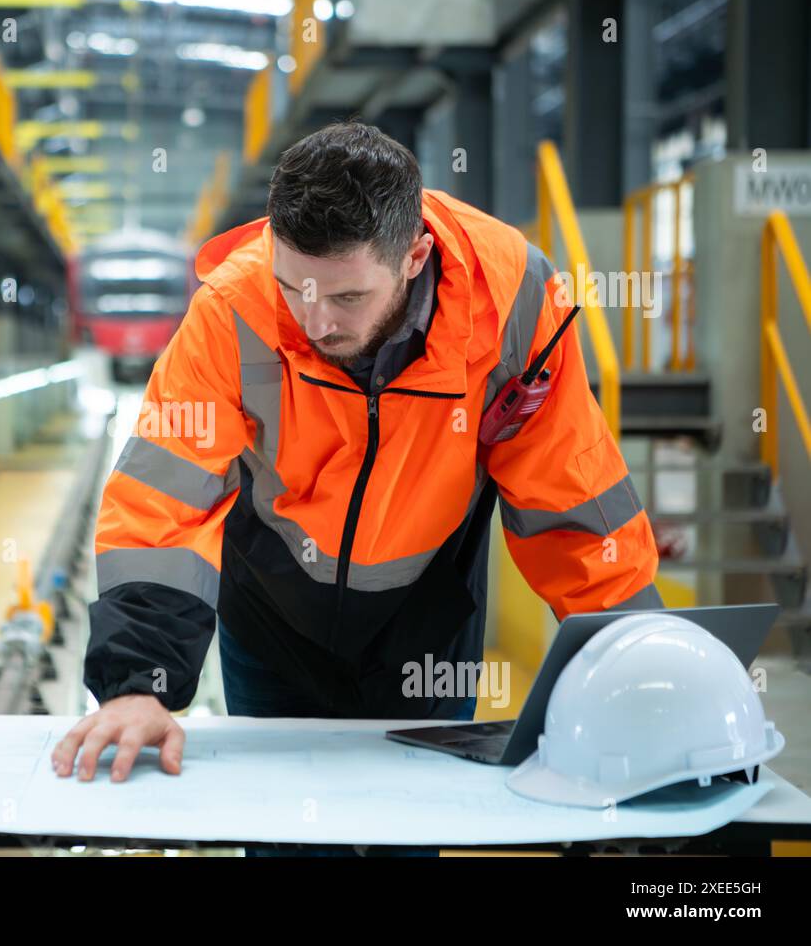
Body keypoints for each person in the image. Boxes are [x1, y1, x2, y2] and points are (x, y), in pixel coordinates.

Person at [52, 122, 660, 784]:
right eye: (295, 289)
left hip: (427, 624)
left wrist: (638, 661)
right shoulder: (233, 307)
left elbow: (570, 493)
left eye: (348, 297)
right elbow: (163, 501)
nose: (316, 324)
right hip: (272, 617)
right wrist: (140, 681)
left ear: (415, 256)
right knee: (284, 834)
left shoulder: (512, 302)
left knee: (412, 826)